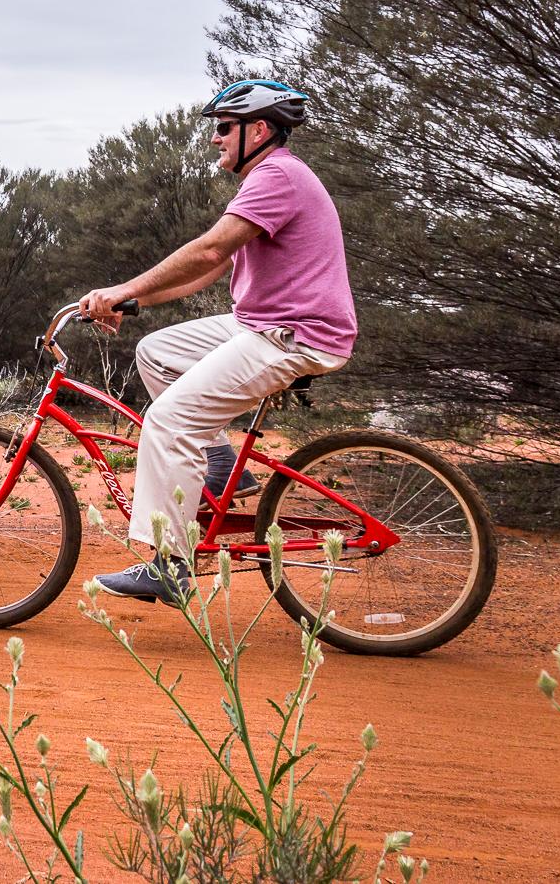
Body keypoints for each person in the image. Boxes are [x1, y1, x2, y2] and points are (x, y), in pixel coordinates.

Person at [77, 80, 355, 602]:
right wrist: (131, 303)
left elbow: (206, 251)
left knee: (168, 419)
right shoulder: (267, 180)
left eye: (224, 127)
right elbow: (208, 271)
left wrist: (122, 287)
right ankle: (221, 462)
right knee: (155, 353)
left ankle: (171, 565)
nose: (214, 138)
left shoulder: (277, 176)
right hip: (264, 323)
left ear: (259, 130)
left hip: (293, 335)